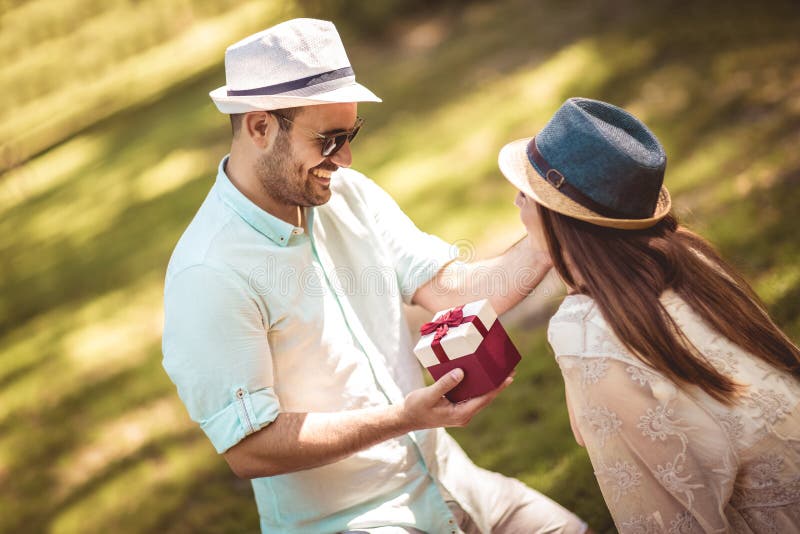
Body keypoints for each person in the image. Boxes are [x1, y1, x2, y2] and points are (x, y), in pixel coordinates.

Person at [162, 18, 588, 533]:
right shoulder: (208, 272)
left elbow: (454, 291)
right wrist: (405, 418)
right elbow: (250, 448)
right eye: (329, 139)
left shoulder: (349, 193)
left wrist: (555, 223)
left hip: (454, 481)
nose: (344, 158)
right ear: (259, 127)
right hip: (353, 521)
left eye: (351, 134)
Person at [500, 97, 800, 532]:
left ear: (559, 219)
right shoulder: (688, 253)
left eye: (526, 195)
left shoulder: (586, 332)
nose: (516, 205)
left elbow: (660, 513)